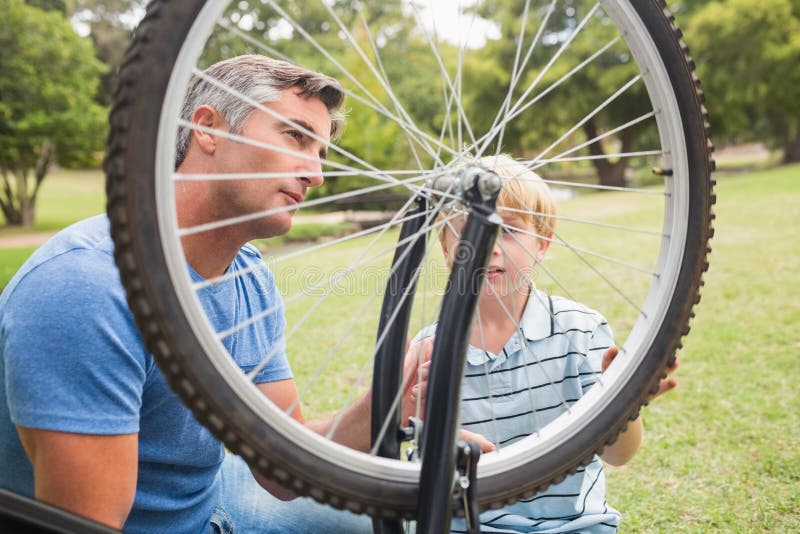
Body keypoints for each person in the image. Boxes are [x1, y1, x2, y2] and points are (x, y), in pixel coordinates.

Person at [0, 54, 420, 533]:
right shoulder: (87, 288)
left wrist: (386, 407)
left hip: (216, 502)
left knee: (399, 517)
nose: (316, 173)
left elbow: (280, 470)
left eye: (321, 153)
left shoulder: (247, 273)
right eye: (296, 136)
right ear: (208, 129)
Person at [412, 154, 678, 533]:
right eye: (468, 229)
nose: (489, 245)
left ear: (543, 243)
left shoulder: (581, 332)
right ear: (445, 249)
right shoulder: (428, 350)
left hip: (575, 526)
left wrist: (625, 403)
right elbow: (417, 471)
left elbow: (619, 455)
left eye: (509, 229)